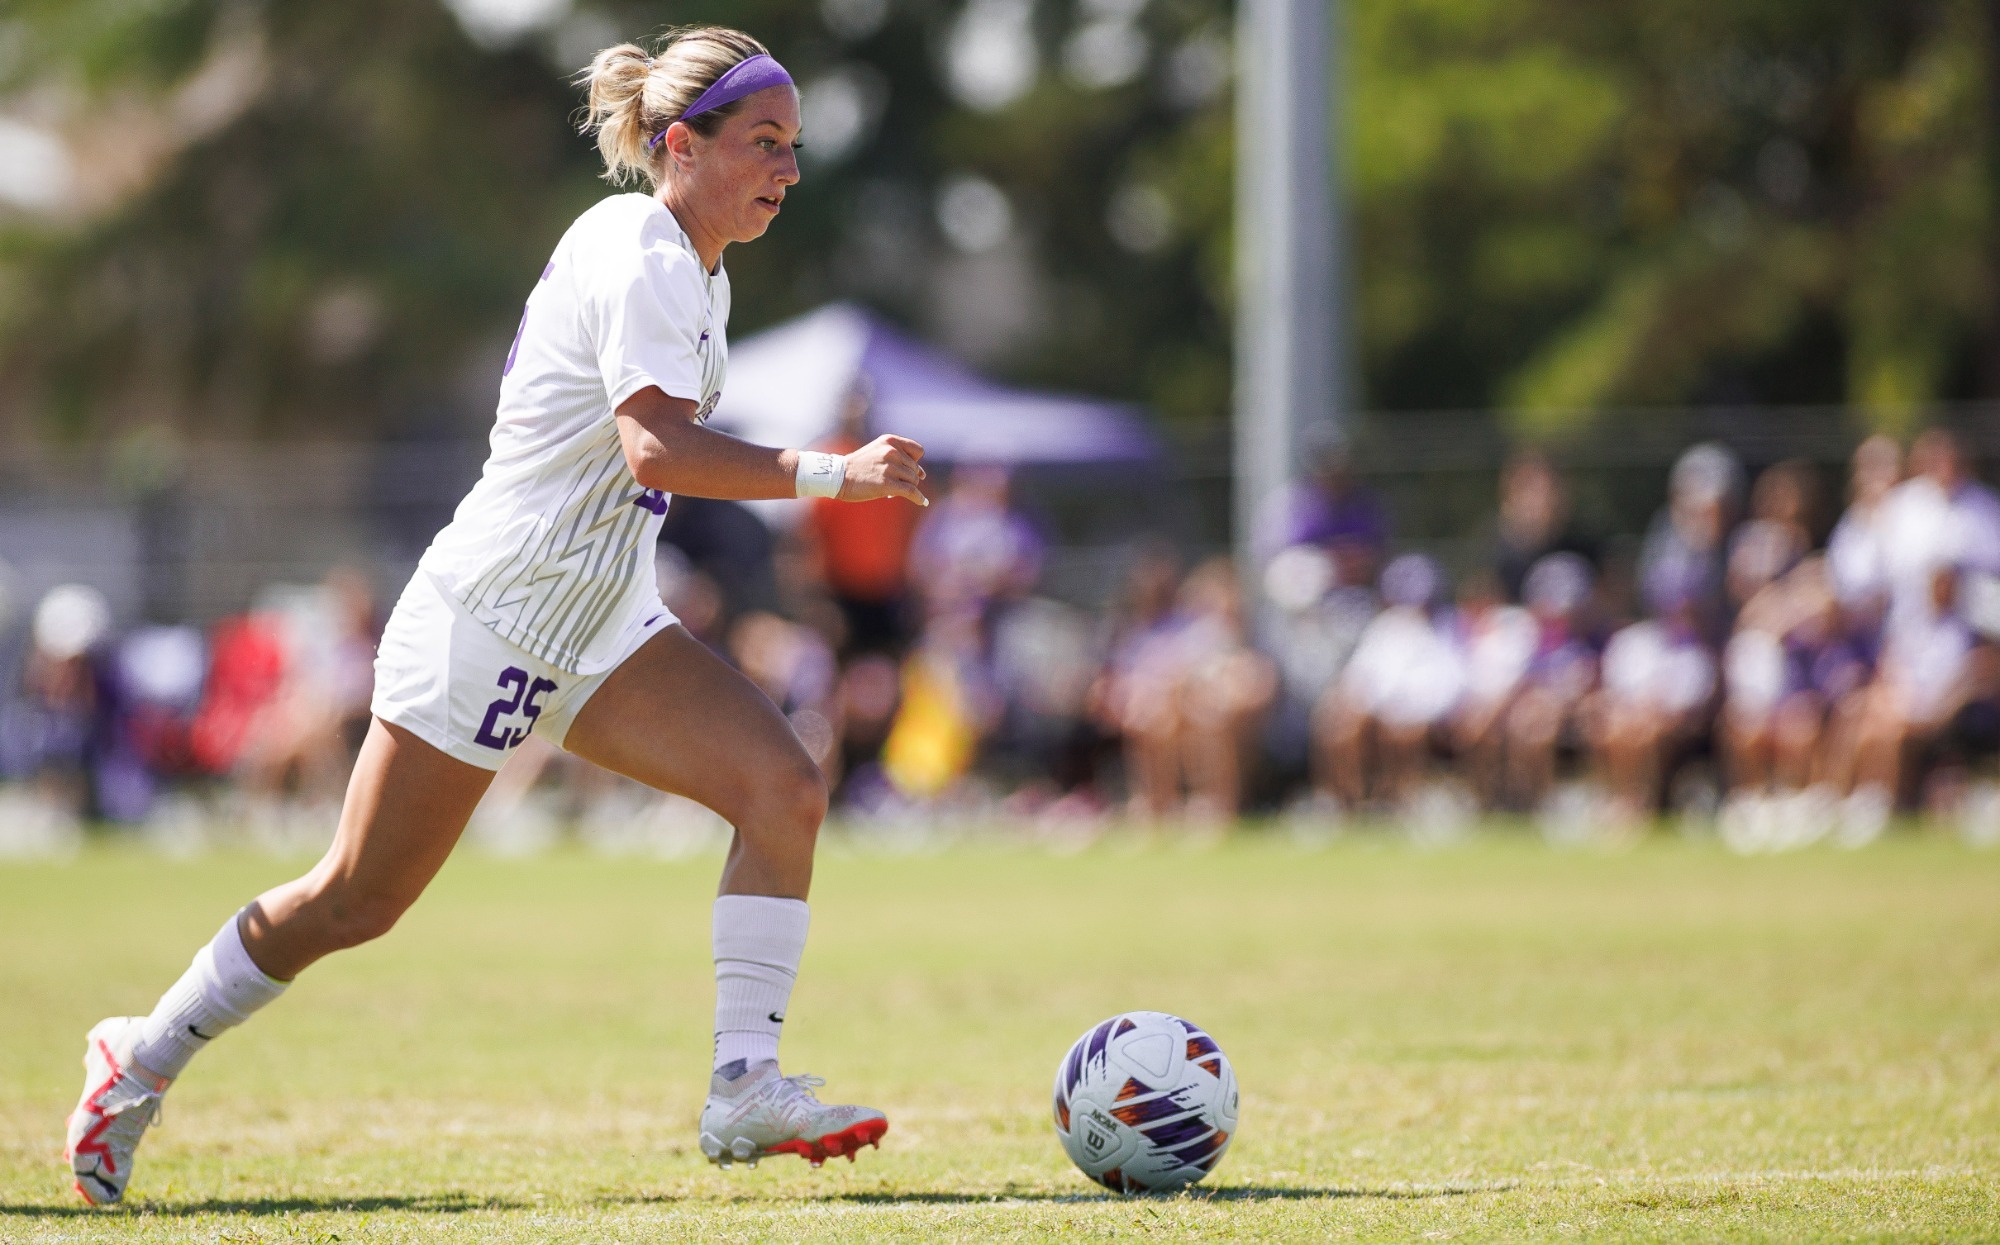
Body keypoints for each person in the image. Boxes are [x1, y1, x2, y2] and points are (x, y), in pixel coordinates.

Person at [65, 28, 929, 1206]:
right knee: (354, 900)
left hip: (599, 614)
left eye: (793, 145)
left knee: (781, 788)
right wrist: (835, 473)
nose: (786, 167)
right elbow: (657, 446)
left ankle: (743, 1084)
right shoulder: (641, 249)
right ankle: (141, 1052)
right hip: (493, 611)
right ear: (681, 144)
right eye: (762, 143)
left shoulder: (697, 264)